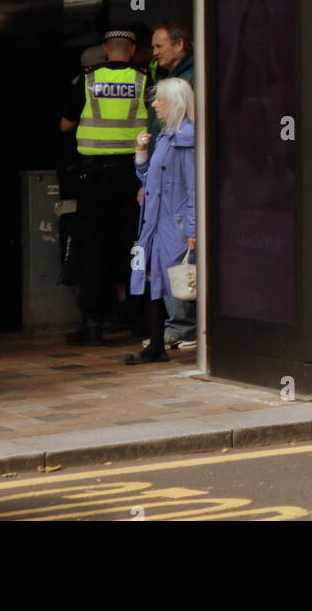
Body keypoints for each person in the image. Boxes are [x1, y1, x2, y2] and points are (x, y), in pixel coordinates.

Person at [60, 29, 148, 345]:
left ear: (105, 49)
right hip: (135, 174)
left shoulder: (86, 79)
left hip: (95, 177)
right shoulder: (144, 79)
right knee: (135, 243)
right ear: (134, 49)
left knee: (94, 247)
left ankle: (94, 322)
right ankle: (139, 320)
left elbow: (65, 124)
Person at [126, 77, 196, 365]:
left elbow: (194, 188)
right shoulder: (167, 137)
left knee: (179, 284)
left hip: (171, 225)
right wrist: (140, 153)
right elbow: (149, 179)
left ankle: (159, 344)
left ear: (175, 103)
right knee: (153, 281)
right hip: (157, 224)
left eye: (160, 99)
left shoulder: (184, 140)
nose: (154, 105)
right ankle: (156, 345)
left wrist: (192, 230)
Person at [147, 20, 197, 347]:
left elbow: (193, 185)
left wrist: (192, 228)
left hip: (175, 200)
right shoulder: (166, 77)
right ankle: (175, 325)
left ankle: (182, 327)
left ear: (179, 45)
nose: (153, 53)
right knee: (166, 261)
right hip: (163, 190)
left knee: (178, 260)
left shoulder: (188, 81)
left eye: (158, 47)